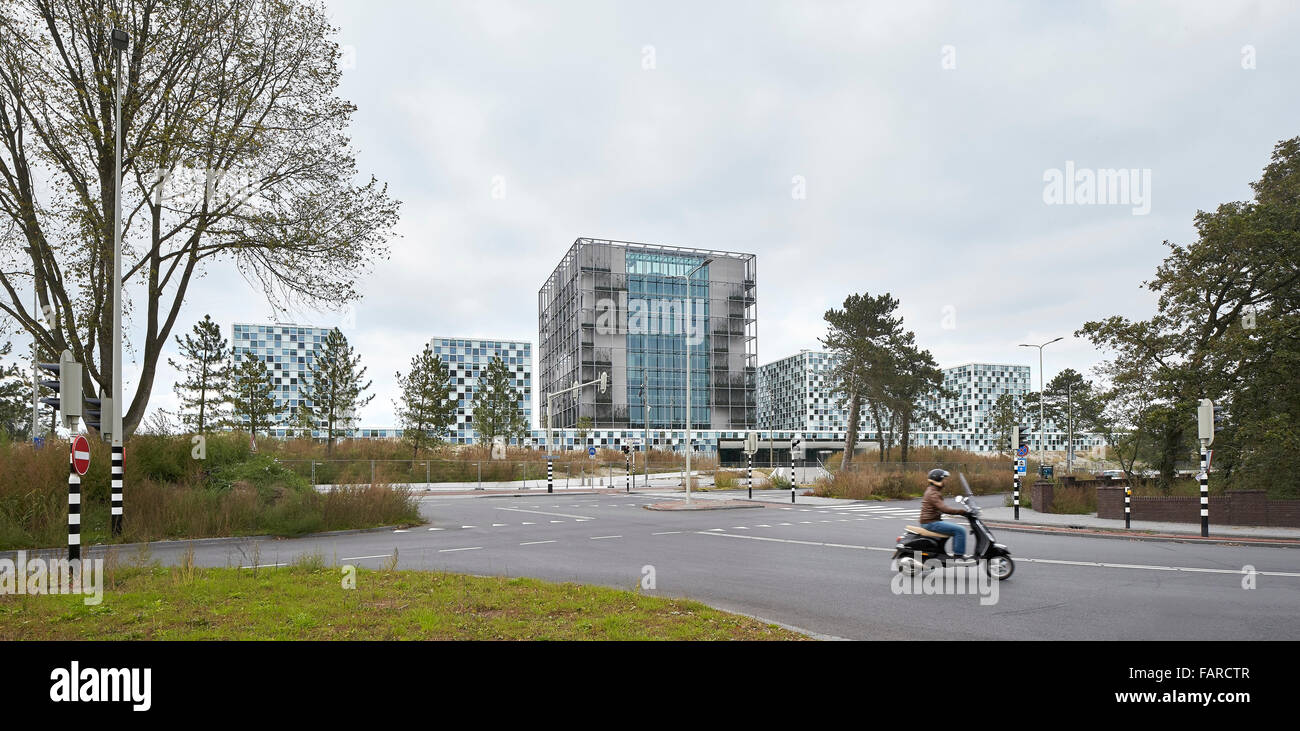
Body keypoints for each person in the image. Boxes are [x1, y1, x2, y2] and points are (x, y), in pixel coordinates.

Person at [919, 468, 970, 557]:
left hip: (931, 521)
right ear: (937, 480)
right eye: (944, 479)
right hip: (930, 523)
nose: (945, 481)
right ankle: (959, 556)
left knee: (955, 528)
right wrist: (962, 512)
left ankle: (956, 553)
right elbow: (944, 509)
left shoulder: (932, 490)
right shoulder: (933, 493)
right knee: (960, 530)